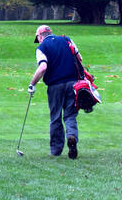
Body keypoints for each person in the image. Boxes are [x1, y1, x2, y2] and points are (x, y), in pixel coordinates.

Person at [27, 25, 84, 159]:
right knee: (70, 115)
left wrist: (32, 84)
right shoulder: (67, 40)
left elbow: (42, 67)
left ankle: (56, 150)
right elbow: (79, 58)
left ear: (40, 37)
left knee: (56, 117)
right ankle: (72, 136)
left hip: (55, 86)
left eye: (38, 38)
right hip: (73, 83)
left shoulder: (41, 48)